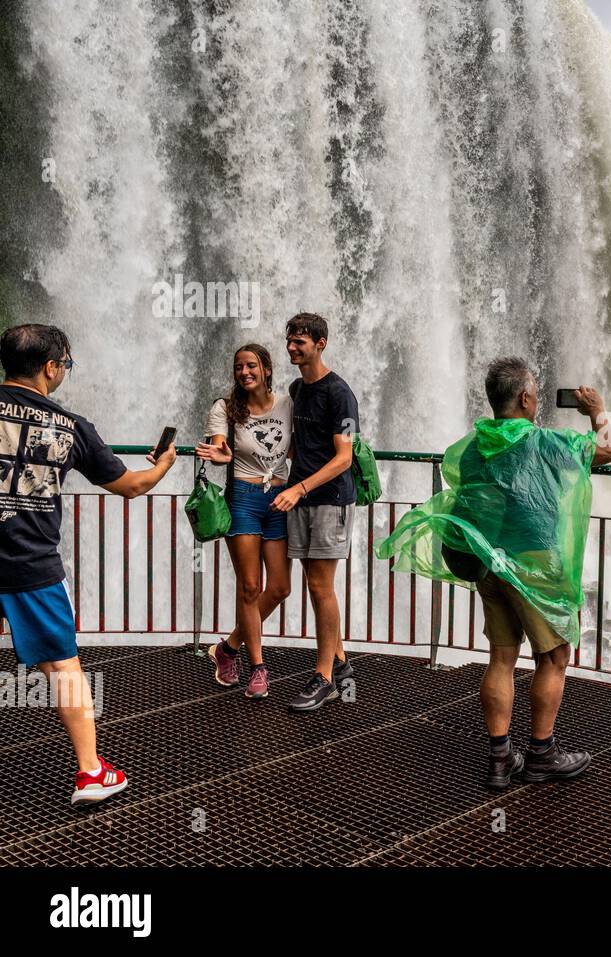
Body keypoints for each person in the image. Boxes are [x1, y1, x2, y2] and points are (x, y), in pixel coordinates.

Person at [375, 357, 611, 790]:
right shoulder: (545, 442)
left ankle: (500, 760)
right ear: (524, 398)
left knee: (502, 658)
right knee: (554, 657)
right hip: (536, 562)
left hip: (490, 561)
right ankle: (542, 754)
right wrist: (597, 410)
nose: (538, 399)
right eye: (536, 392)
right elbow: (606, 449)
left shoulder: (471, 447)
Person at [0, 324, 176, 804]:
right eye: (65, 365)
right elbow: (131, 485)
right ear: (51, 367)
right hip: (30, 564)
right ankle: (91, 772)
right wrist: (164, 464)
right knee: (63, 665)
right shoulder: (70, 426)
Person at [272, 313, 359, 712]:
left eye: (301, 342)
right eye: (290, 340)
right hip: (301, 496)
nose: (292, 347)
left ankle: (323, 677)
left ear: (321, 343)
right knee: (313, 583)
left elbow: (344, 458)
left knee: (322, 587)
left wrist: (300, 487)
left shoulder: (339, 393)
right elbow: (295, 446)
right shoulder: (296, 388)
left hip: (330, 499)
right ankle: (339, 660)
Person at [198, 344, 293, 699]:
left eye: (252, 365)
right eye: (239, 366)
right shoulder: (225, 408)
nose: (245, 372)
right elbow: (220, 446)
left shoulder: (287, 404)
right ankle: (257, 667)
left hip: (280, 499)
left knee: (281, 587)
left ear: (267, 369)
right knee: (250, 586)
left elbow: (297, 449)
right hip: (244, 499)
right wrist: (221, 454)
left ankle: (228, 647)